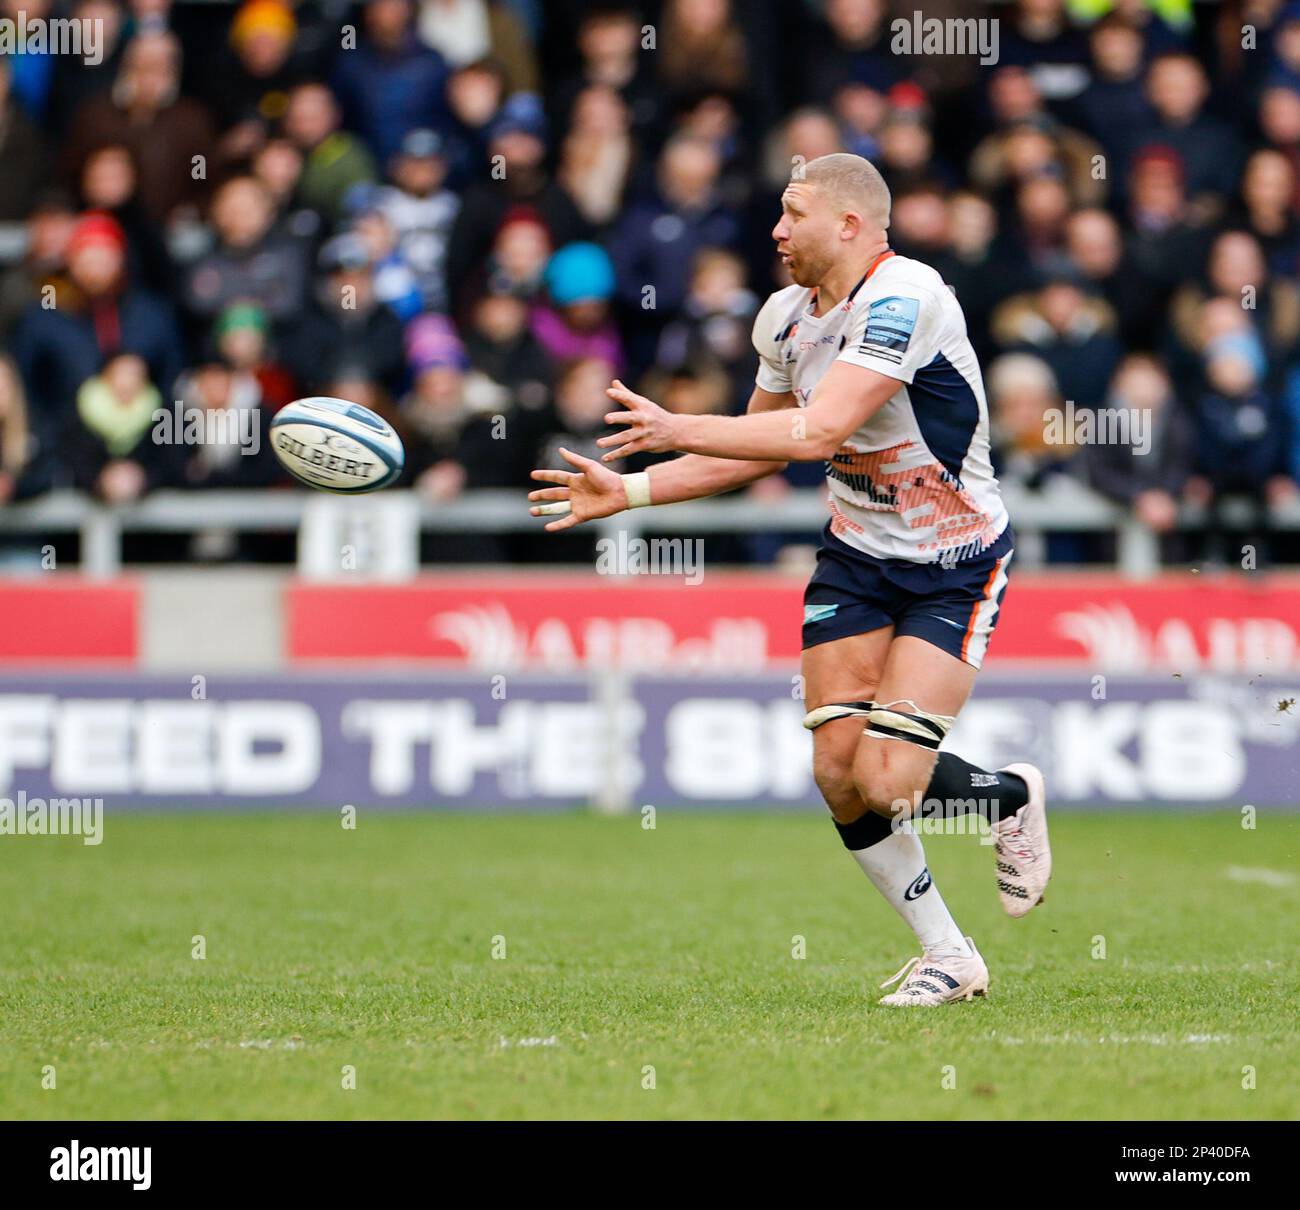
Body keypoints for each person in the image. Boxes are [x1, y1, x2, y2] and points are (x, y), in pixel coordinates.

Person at [528, 153, 1051, 1007]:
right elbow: (752, 447)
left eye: (793, 212)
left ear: (849, 224)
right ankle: (949, 956)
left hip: (954, 562)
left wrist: (673, 425)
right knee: (838, 770)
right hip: (856, 556)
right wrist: (628, 492)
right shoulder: (782, 318)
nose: (776, 229)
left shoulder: (905, 296)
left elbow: (819, 432)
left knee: (890, 780)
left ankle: (1006, 796)